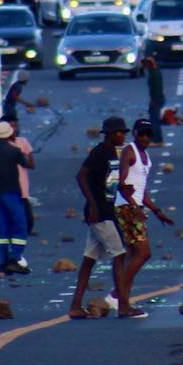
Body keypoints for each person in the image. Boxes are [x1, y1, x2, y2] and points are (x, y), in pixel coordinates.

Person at [67, 117, 129, 320]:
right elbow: (81, 175)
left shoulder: (113, 153)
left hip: (106, 211)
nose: (123, 135)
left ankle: (75, 306)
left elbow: (109, 183)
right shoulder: (100, 152)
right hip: (99, 213)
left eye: (123, 132)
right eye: (119, 132)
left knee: (89, 260)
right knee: (119, 255)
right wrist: (92, 203)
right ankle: (123, 306)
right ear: (110, 134)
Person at [112, 120, 173, 318]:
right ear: (135, 134)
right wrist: (134, 206)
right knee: (143, 253)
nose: (146, 138)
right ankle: (120, 298)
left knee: (133, 254)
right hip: (127, 208)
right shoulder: (130, 152)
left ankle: (123, 302)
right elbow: (121, 184)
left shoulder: (145, 157)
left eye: (149, 134)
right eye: (142, 134)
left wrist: (157, 211)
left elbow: (141, 189)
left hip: (133, 207)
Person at [0, 122, 36, 275]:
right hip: (13, 194)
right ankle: (15, 258)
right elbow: (30, 165)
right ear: (10, 134)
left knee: (2, 232)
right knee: (20, 226)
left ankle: (3, 265)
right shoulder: (14, 151)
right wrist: (29, 152)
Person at [142, 55, 165, 145]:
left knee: (154, 120)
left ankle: (157, 139)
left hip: (157, 99)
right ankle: (157, 139)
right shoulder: (154, 72)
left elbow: (156, 89)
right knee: (154, 119)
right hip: (158, 99)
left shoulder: (154, 74)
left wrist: (154, 100)